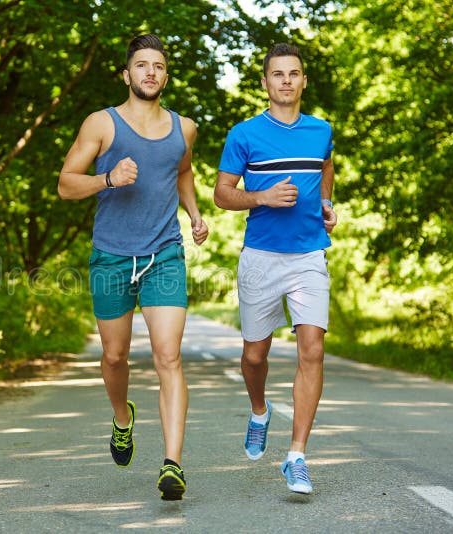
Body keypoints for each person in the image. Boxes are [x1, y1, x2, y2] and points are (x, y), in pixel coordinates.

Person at [58, 34, 209, 501]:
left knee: (168, 356)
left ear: (166, 75)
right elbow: (65, 184)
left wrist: (195, 213)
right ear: (127, 75)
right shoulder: (101, 124)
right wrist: (108, 177)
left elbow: (181, 172)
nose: (150, 72)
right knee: (115, 357)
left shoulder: (184, 128)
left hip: (164, 253)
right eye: (141, 65)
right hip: (111, 255)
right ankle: (123, 418)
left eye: (158, 66)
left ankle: (173, 465)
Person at [213, 43, 337, 494]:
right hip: (261, 257)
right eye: (277, 74)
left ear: (304, 81)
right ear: (265, 82)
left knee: (312, 350)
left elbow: (325, 165)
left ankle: (297, 455)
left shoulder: (320, 129)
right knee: (254, 357)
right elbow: (222, 194)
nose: (286, 80)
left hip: (309, 255)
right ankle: (259, 410)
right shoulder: (244, 134)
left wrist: (325, 202)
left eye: (294, 73)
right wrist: (262, 197)